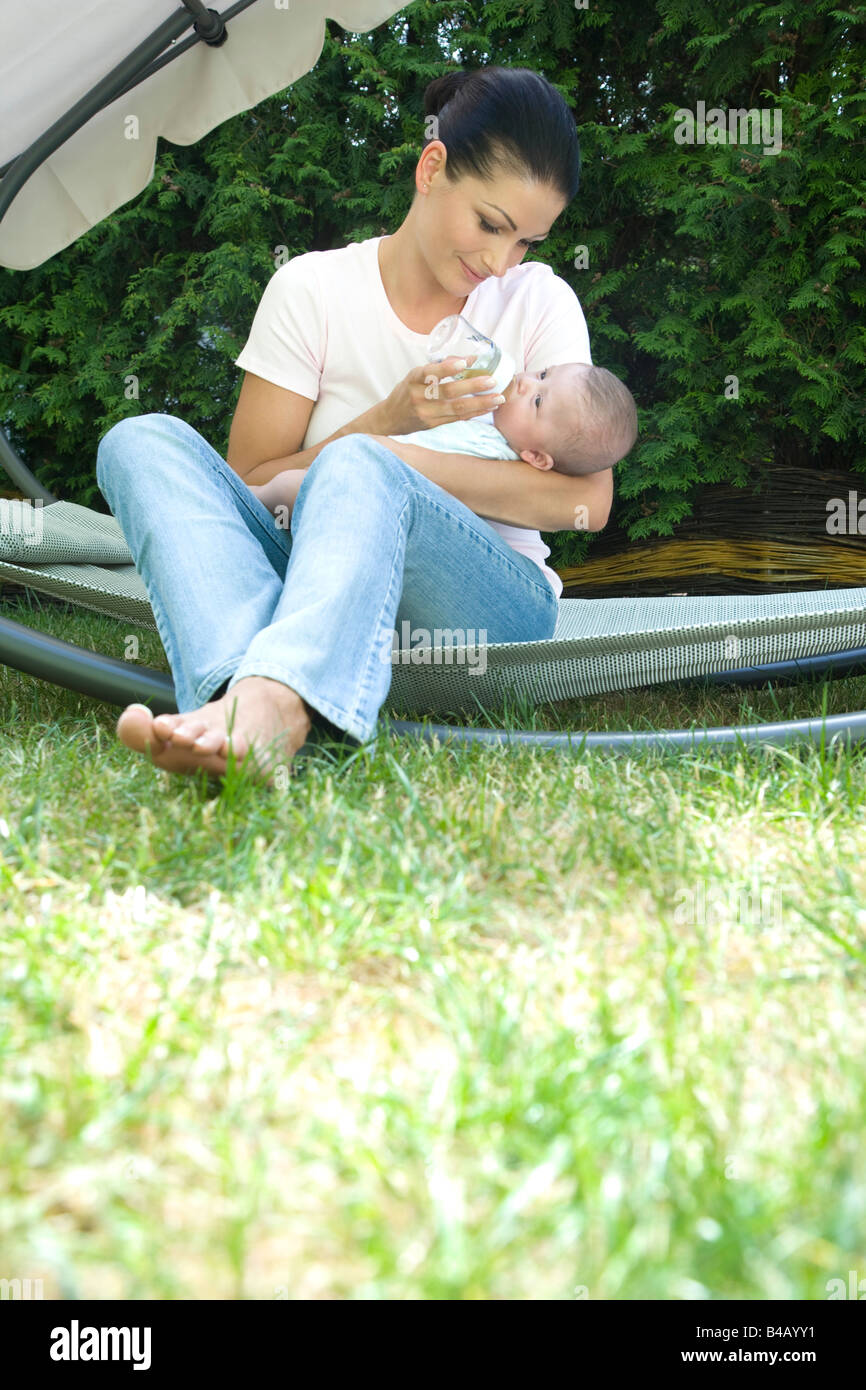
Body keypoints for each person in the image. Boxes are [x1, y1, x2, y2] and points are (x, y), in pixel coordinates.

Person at [96, 65, 616, 783]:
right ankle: (240, 711)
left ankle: (270, 701)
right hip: (304, 577)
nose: (502, 263)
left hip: (480, 602)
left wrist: (386, 457)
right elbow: (250, 488)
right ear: (432, 168)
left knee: (361, 466)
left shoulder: (538, 303)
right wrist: (387, 418)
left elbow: (586, 501)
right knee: (138, 442)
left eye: (525, 240)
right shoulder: (311, 290)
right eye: (492, 225)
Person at [251, 363, 638, 555]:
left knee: (288, 488)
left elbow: (590, 507)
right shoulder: (489, 418)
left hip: (378, 506)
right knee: (287, 491)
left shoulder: (494, 452)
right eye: (542, 374)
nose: (525, 382)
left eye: (538, 400)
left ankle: (250, 504)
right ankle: (251, 503)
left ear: (536, 457)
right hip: (357, 493)